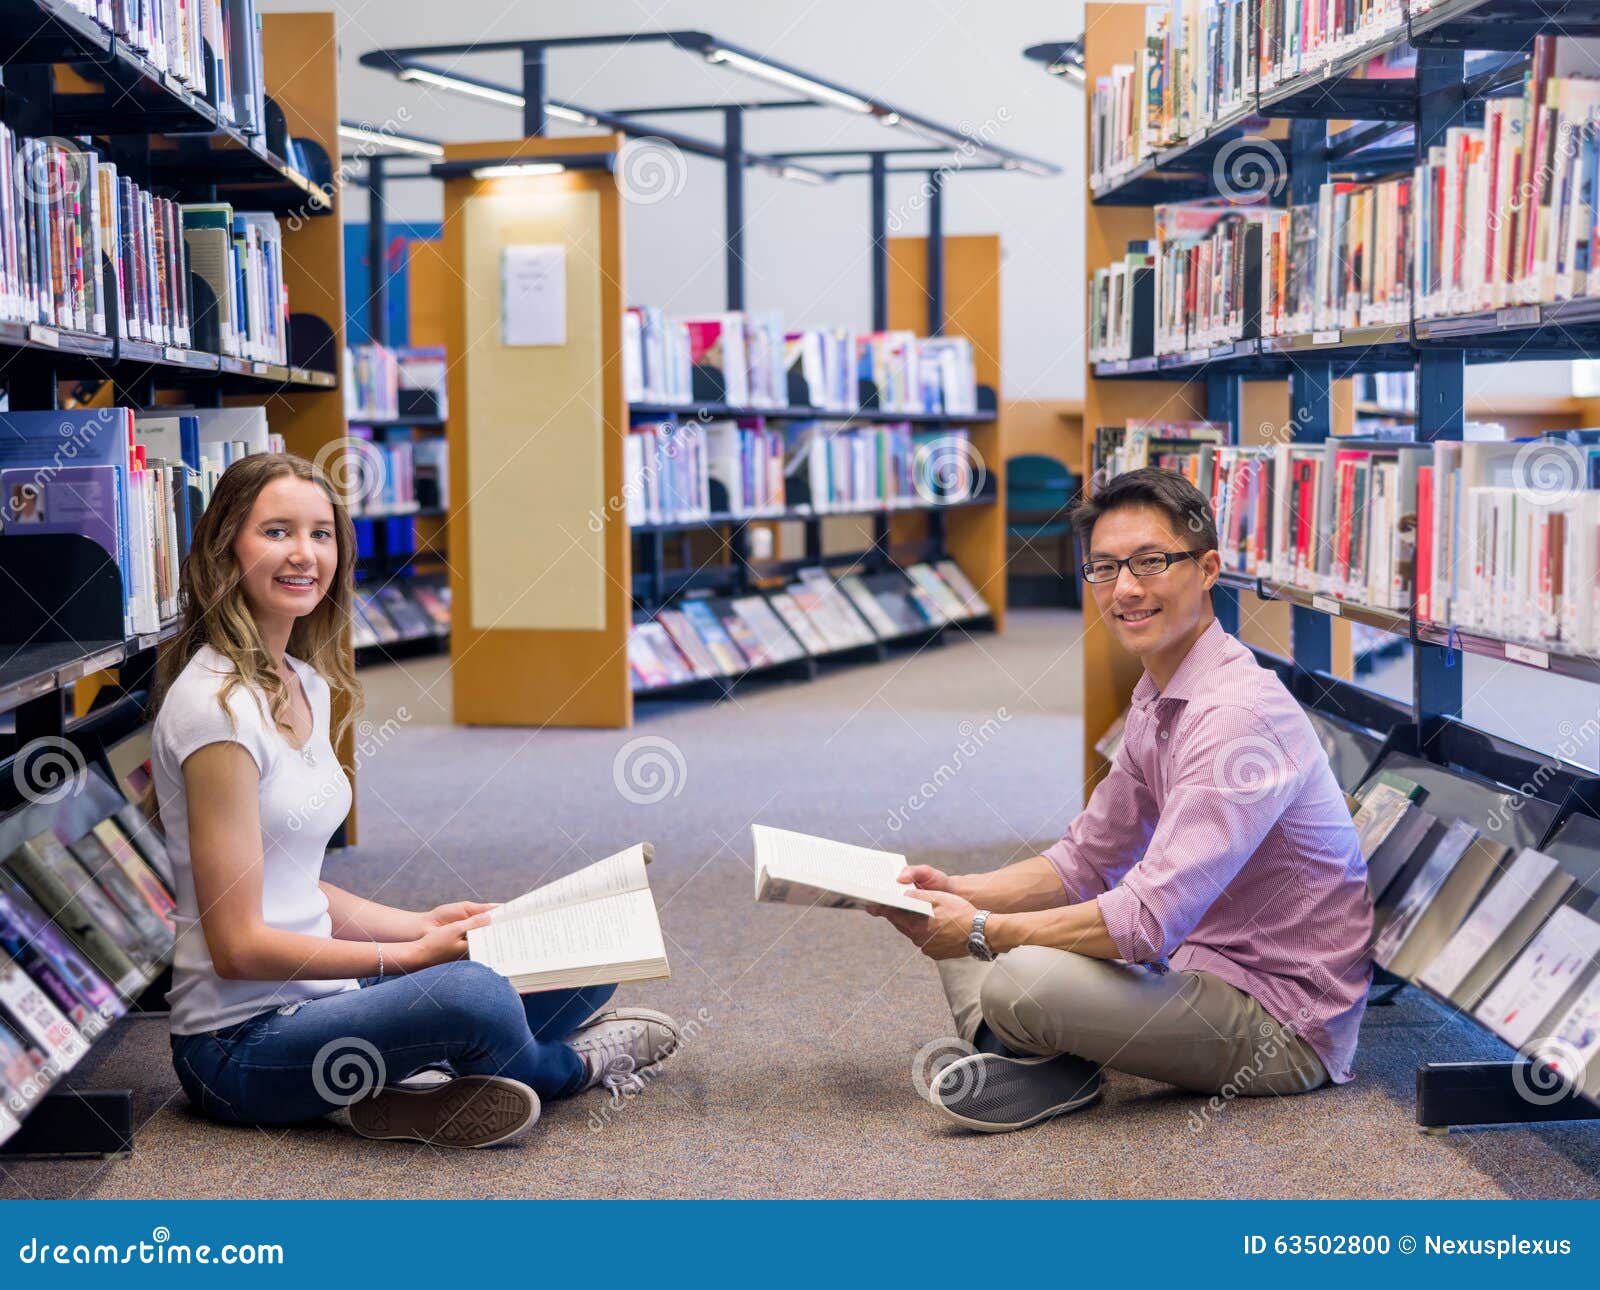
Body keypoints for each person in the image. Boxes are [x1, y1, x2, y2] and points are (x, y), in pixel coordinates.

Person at [151, 453, 680, 1148]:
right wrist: (409, 961)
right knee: (474, 995)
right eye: (277, 532)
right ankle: (566, 1067)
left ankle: (405, 1088)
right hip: (241, 1046)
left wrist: (417, 923)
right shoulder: (214, 711)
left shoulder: (304, 682)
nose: (305, 554)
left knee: (591, 956)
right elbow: (239, 947)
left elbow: (294, 886)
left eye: (322, 533)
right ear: (225, 548)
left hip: (332, 1002)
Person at [876, 467, 1373, 1133]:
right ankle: (1046, 1062)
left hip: (1279, 1020)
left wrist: (977, 928)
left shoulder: (1238, 718)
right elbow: (1085, 860)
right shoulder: (1161, 690)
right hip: (1189, 966)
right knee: (970, 929)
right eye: (1105, 568)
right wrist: (955, 891)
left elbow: (1146, 921)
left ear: (1207, 570)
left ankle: (1040, 1056)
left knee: (1006, 972)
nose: (1126, 589)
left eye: (1151, 562)